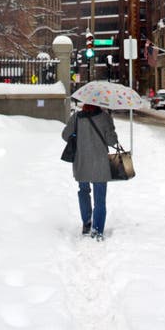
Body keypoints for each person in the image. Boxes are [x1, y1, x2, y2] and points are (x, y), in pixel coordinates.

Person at [61, 103, 118, 241]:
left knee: (83, 191)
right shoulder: (105, 117)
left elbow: (65, 135)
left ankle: (86, 222)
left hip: (81, 162)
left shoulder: (76, 117)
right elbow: (112, 141)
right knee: (100, 199)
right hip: (100, 164)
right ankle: (97, 230)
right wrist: (111, 128)